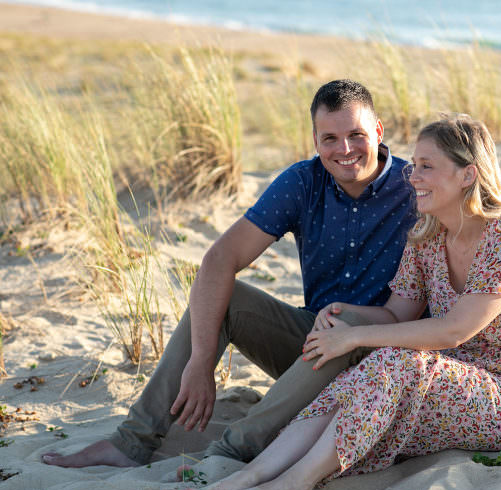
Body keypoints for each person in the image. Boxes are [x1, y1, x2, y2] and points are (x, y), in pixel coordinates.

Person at [178, 115, 501, 490]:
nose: (413, 176)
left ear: (468, 175)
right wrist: (348, 316)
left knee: (391, 362)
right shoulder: (428, 235)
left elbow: (454, 331)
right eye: (414, 164)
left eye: (427, 167)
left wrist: (355, 336)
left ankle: (297, 483)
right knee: (353, 379)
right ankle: (254, 473)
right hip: (452, 381)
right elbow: (398, 316)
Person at [41, 79, 417, 468]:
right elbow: (219, 259)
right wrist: (202, 362)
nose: (344, 150)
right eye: (330, 138)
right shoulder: (304, 181)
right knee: (229, 297)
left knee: (345, 319)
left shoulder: (416, 189)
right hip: (311, 352)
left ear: (378, 131)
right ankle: (130, 443)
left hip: (385, 360)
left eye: (356, 134)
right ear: (315, 140)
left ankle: (233, 450)